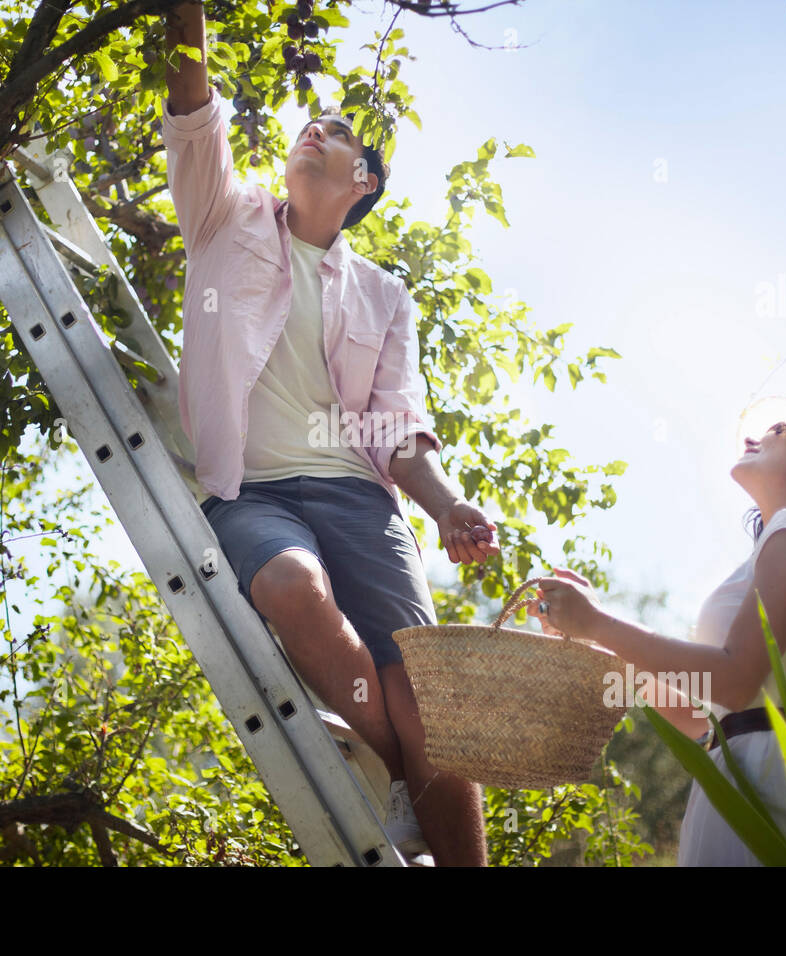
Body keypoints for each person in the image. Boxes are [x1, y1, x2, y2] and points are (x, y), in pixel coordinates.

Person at [161, 0, 497, 865]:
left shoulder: (385, 296)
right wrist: (185, 12)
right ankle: (396, 779)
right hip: (254, 493)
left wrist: (449, 505)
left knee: (421, 690)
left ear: (365, 183)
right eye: (311, 125)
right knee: (288, 584)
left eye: (338, 132)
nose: (316, 129)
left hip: (358, 497)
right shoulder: (223, 216)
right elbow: (194, 111)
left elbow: (397, 425)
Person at [527, 397, 786, 865]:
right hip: (737, 772)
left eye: (777, 430)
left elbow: (733, 682)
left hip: (775, 778)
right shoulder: (771, 552)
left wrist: (596, 621)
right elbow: (698, 715)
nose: (754, 437)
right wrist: (597, 635)